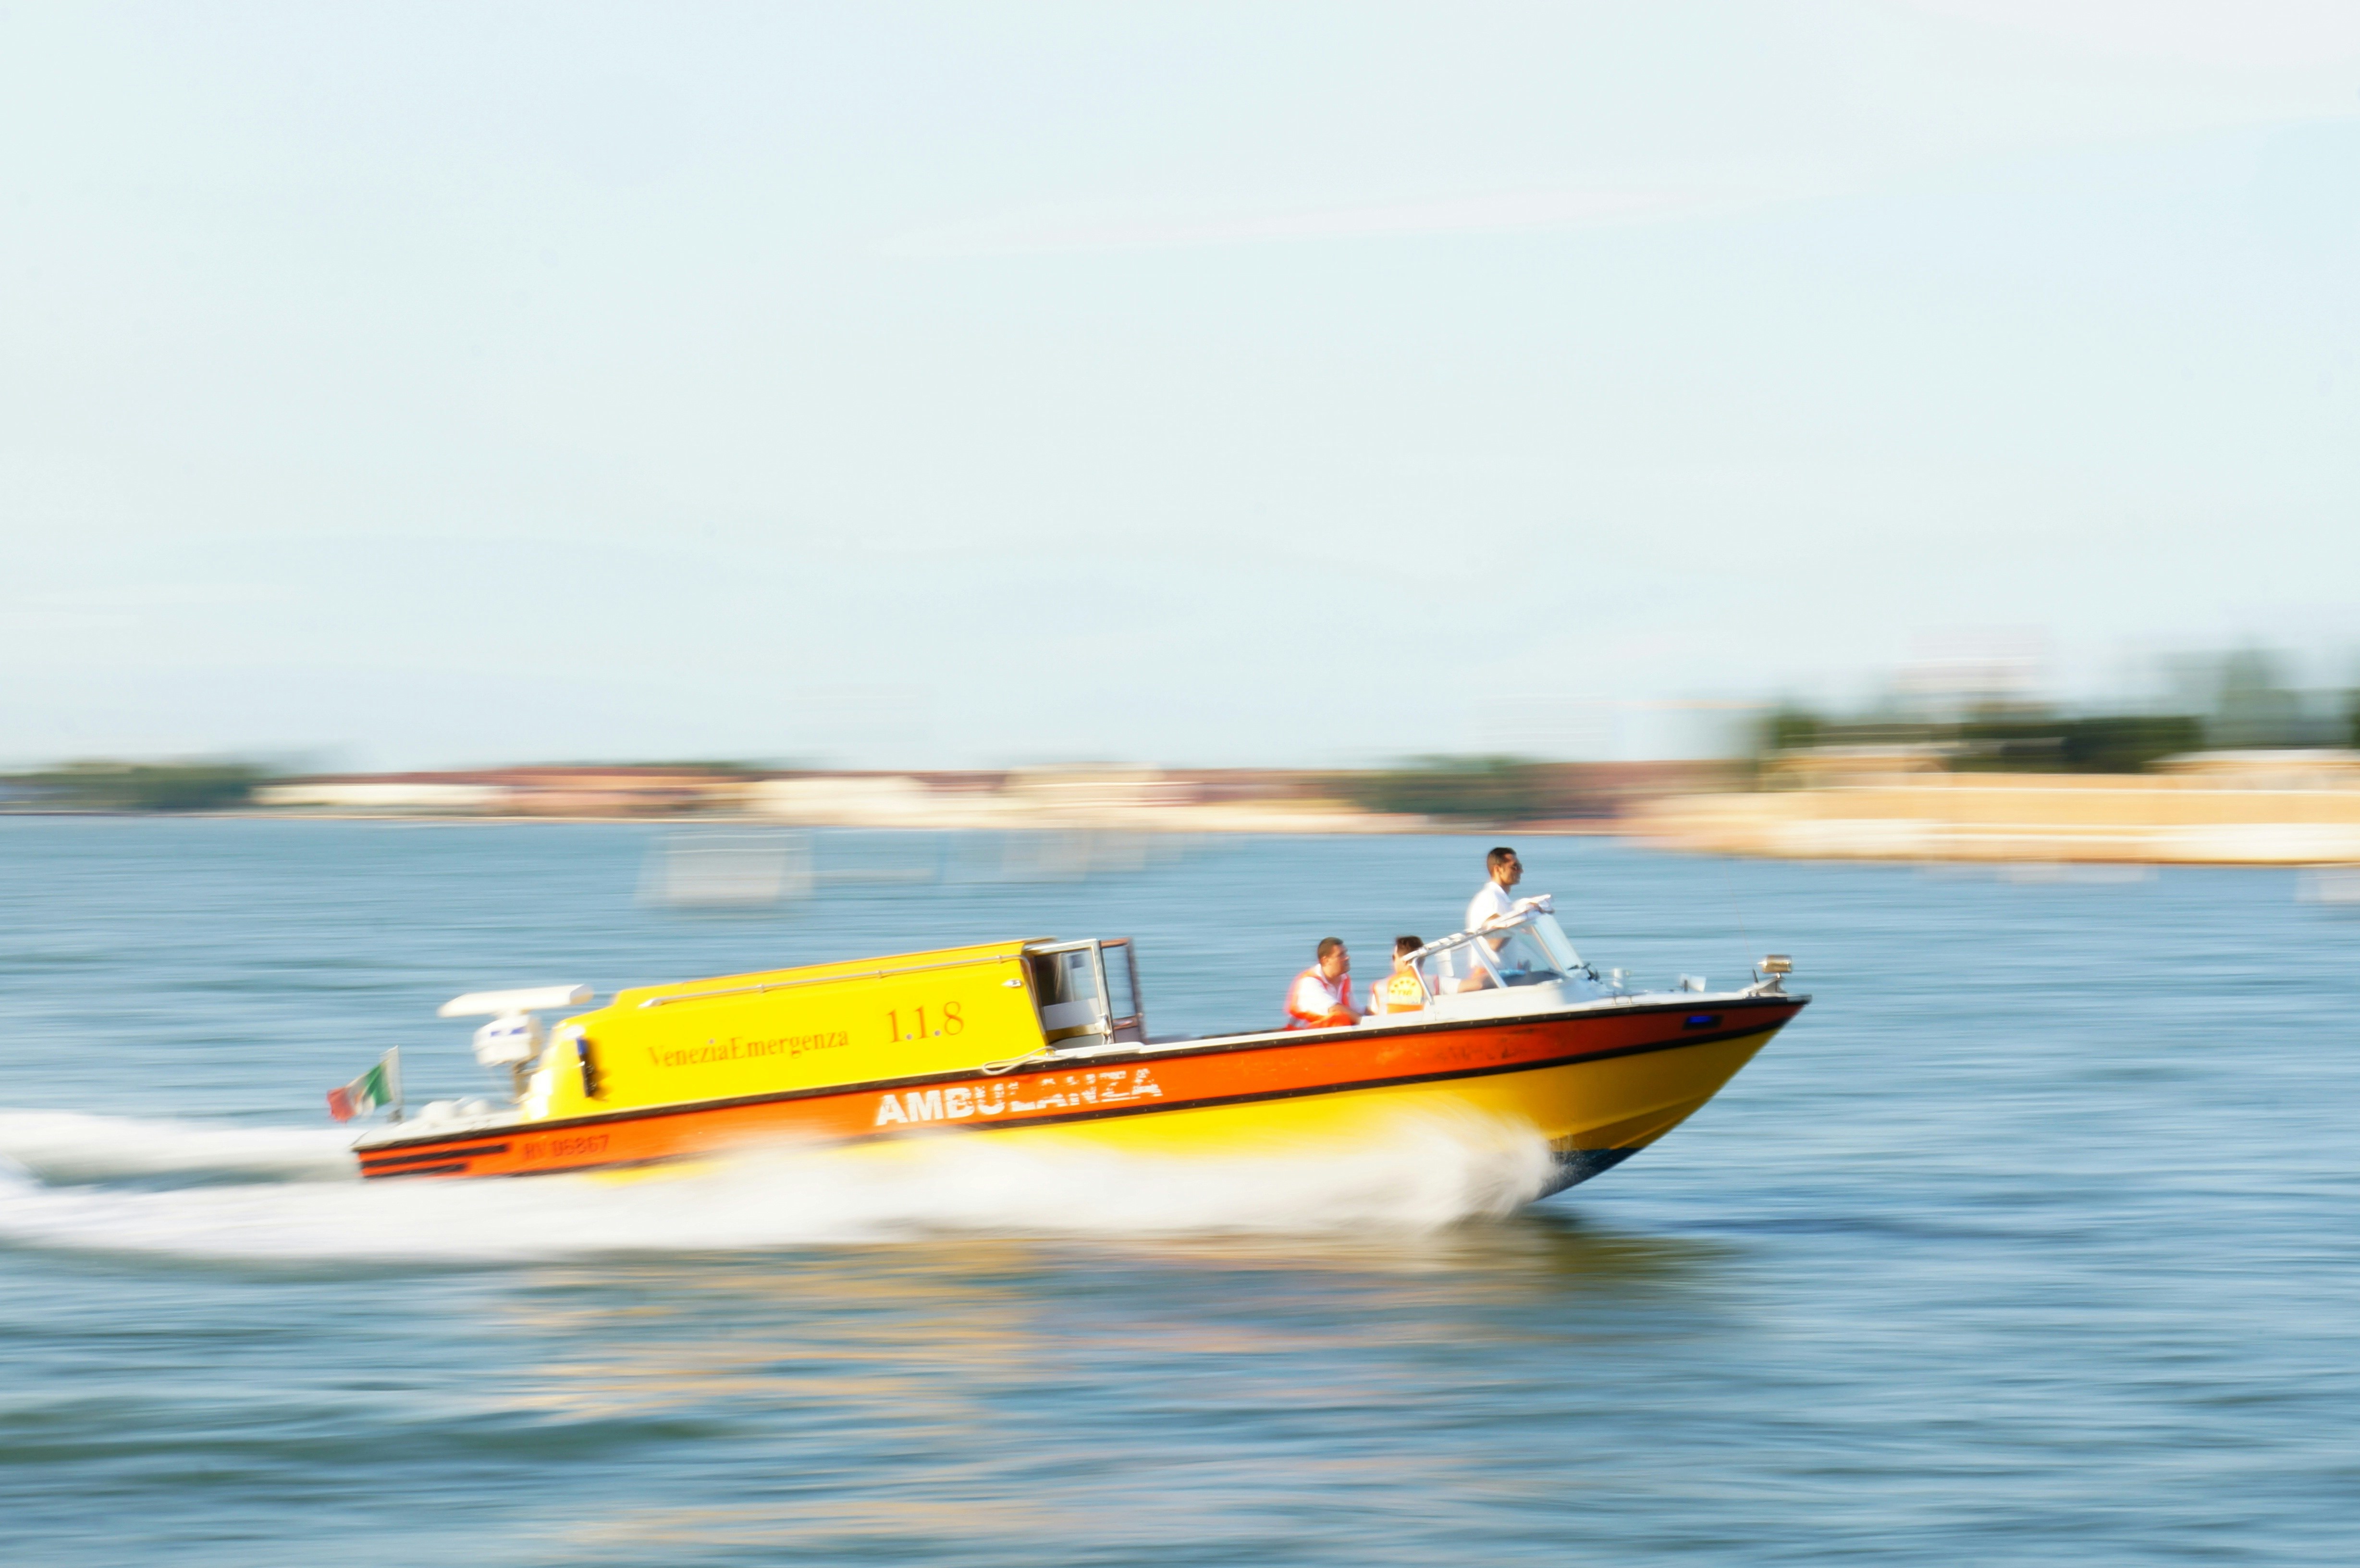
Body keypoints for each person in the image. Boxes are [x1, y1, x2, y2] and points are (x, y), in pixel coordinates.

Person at [1284, 937, 1361, 1029]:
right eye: (1341, 955)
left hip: (1327, 1031)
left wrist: (1377, 1014)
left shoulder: (1344, 979)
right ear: (1326, 961)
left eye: (1346, 953)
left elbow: (1357, 1010)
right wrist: (1366, 1023)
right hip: (1302, 1035)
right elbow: (1334, 1008)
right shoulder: (1310, 982)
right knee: (1340, 1019)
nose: (1347, 957)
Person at [1465, 846, 1523, 932]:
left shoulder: (1497, 897)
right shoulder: (1491, 899)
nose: (1521, 871)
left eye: (1520, 867)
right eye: (1515, 867)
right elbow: (1493, 941)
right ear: (1498, 869)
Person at [1366, 935, 1426, 1016]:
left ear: (1404, 961)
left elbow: (1373, 1015)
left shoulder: (1380, 987)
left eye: (1394, 958)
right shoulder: (1437, 983)